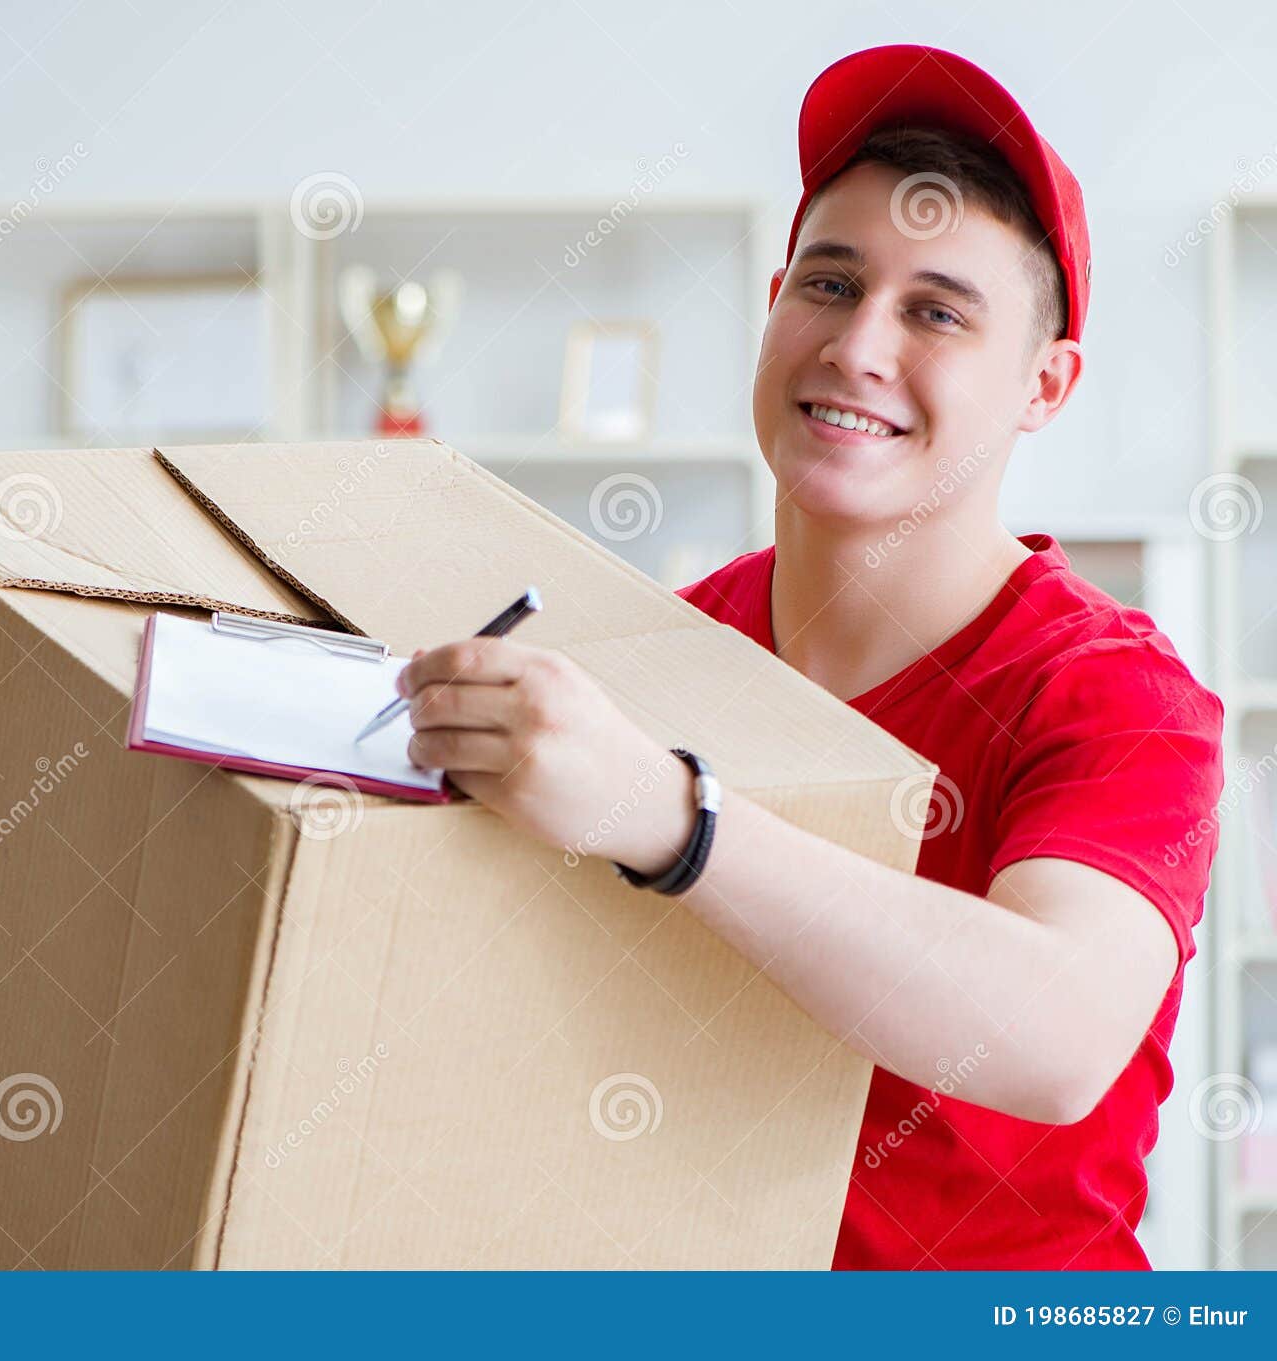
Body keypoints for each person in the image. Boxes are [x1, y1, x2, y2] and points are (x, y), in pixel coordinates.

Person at [396, 44, 1226, 1269]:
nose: (857, 346)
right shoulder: (651, 652)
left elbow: (1055, 1034)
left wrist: (673, 818)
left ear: (1043, 385)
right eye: (829, 286)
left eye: (936, 310)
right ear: (776, 300)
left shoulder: (1117, 695)